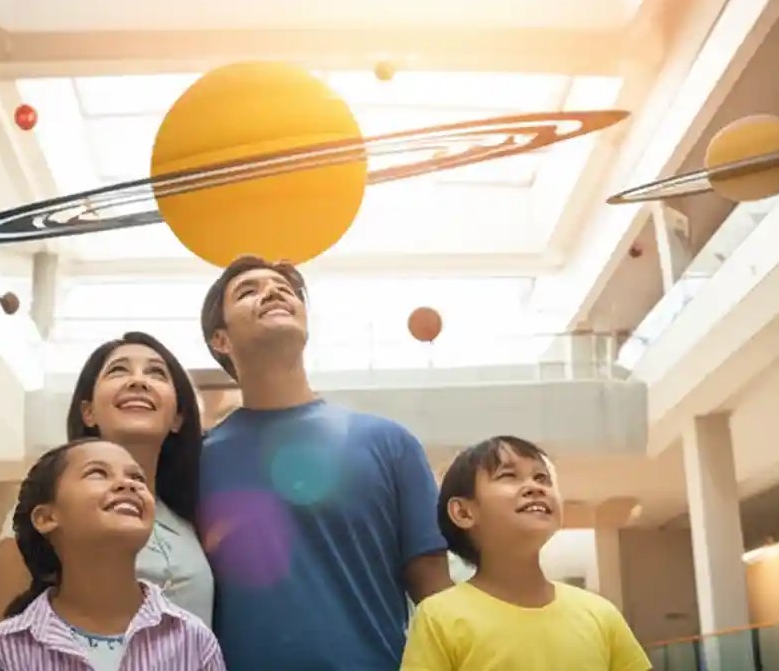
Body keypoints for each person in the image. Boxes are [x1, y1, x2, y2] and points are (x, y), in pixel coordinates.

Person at [197, 255, 452, 670]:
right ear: (220, 340)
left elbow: (436, 594)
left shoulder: (390, 443)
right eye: (248, 291)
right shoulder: (197, 461)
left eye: (285, 289)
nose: (272, 292)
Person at [0, 332, 214, 627]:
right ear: (88, 412)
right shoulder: (51, 507)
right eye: (118, 370)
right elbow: (1, 640)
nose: (138, 381)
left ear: (177, 418)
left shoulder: (193, 515)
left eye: (156, 373)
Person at [0, 438, 225, 670]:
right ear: (46, 518)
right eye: (97, 473)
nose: (128, 484)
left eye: (138, 478)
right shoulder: (1, 651)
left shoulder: (195, 642)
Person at [401, 436, 651, 671]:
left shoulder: (600, 614)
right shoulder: (439, 617)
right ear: (463, 512)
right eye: (508, 476)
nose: (534, 487)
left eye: (542, 478)